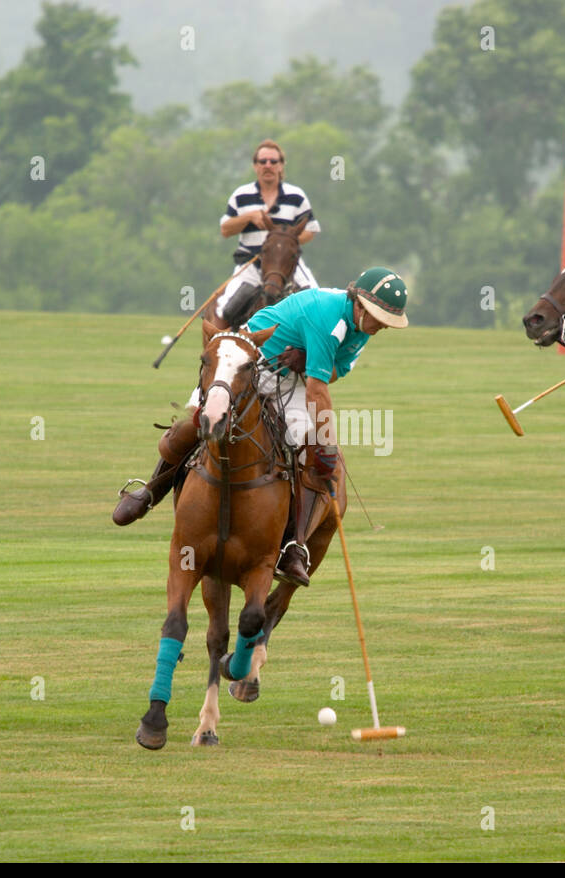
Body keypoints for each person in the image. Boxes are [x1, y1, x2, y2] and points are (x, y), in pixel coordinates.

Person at [114, 267, 410, 588]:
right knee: (200, 420)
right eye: (379, 317)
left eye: (387, 321)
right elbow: (318, 391)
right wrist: (327, 440)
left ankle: (294, 546)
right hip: (249, 360)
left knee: (302, 447)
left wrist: (306, 360)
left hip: (293, 377)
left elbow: (334, 372)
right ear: (360, 303)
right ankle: (151, 490)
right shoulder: (328, 316)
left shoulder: (361, 331)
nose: (382, 326)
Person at [214, 139, 321, 326]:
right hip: (250, 264)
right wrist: (247, 218)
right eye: (263, 161)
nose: (268, 165)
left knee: (317, 305)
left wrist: (285, 245)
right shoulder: (241, 195)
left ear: (281, 165)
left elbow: (310, 230)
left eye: (273, 161)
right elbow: (225, 229)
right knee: (224, 310)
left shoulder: (296, 196)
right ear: (255, 166)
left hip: (288, 266)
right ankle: (219, 350)